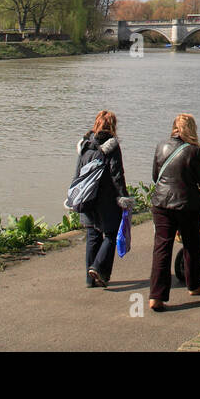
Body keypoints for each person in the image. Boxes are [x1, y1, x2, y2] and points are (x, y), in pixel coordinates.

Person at [148, 113, 200, 311]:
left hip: (161, 204)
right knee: (191, 245)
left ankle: (156, 296)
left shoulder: (161, 146)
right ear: (191, 129)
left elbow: (154, 176)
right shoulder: (194, 151)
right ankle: (193, 285)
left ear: (174, 128)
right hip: (186, 205)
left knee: (162, 247)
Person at [72, 110, 131, 289]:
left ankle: (90, 280)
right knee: (111, 234)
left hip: (86, 197)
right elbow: (117, 174)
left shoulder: (85, 146)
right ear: (113, 126)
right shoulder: (112, 146)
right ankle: (98, 268)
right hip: (106, 199)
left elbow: (77, 173)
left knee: (92, 235)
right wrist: (123, 197)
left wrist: (75, 195)